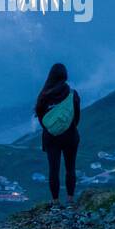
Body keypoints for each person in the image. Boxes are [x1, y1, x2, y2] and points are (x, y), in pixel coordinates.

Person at [35, 62, 80, 203]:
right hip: (70, 137)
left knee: (53, 170)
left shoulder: (44, 96)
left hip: (51, 138)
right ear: (65, 76)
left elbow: (41, 119)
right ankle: (70, 200)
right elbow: (77, 117)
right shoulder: (73, 94)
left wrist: (52, 129)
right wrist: (67, 127)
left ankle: (55, 202)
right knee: (70, 168)